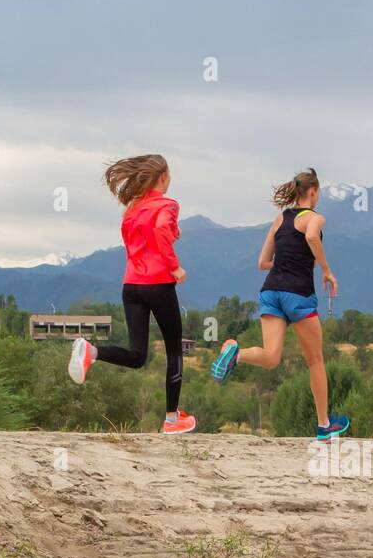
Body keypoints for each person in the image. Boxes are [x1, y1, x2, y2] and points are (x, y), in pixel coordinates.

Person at [210, 167, 349, 441]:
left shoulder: (280, 219)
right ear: (313, 192)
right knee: (316, 361)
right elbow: (310, 237)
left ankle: (236, 353)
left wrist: (285, 263)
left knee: (271, 357)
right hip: (298, 294)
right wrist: (326, 270)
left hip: (271, 291)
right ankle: (324, 425)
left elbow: (262, 263)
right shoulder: (315, 218)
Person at [67, 152, 195, 434]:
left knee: (137, 356)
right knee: (174, 350)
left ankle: (91, 351)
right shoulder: (169, 204)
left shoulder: (133, 208)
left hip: (131, 286)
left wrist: (173, 233)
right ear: (163, 177)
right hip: (158, 284)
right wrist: (174, 266)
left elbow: (146, 238)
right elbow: (160, 228)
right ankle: (172, 419)